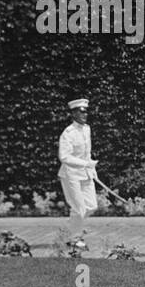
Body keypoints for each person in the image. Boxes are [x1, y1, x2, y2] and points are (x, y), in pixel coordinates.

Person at [57, 97, 98, 243]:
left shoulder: (87, 129)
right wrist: (84, 163)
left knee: (92, 206)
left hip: (85, 173)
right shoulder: (68, 133)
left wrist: (91, 168)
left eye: (86, 112)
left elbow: (87, 153)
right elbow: (64, 157)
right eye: (81, 112)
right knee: (79, 208)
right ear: (73, 114)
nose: (85, 115)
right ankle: (73, 238)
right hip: (70, 174)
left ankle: (73, 228)